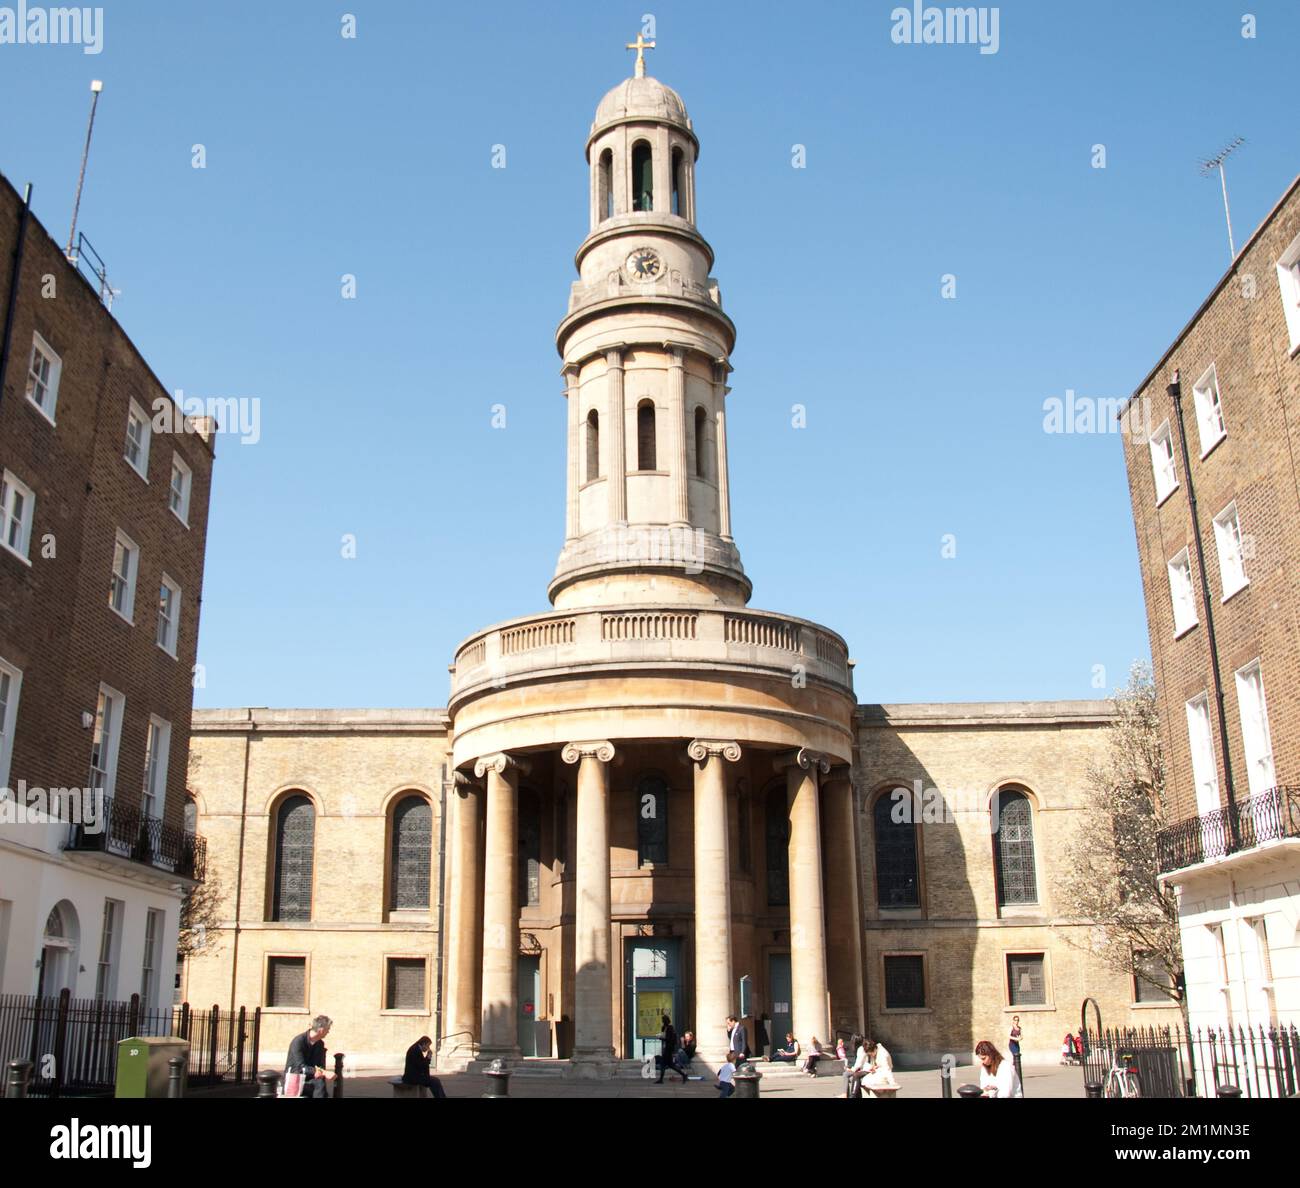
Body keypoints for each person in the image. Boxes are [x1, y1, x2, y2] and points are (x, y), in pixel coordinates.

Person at [285, 1015, 334, 1098]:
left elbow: (319, 1065)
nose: (328, 1032)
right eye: (328, 1029)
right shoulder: (298, 1041)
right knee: (319, 1084)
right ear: (321, 1030)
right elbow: (300, 1067)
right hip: (296, 1078)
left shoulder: (320, 1044)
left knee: (320, 1083)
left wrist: (320, 1071)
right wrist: (323, 1072)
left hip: (311, 1077)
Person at [655, 1014, 679, 1084]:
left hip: (669, 1048)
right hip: (665, 1047)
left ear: (666, 1020)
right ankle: (683, 1074)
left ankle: (661, 1080)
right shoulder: (663, 1027)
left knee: (663, 1064)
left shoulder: (670, 1027)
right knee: (670, 1065)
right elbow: (663, 1036)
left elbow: (668, 1038)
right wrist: (661, 1037)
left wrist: (661, 1038)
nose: (662, 1021)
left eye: (663, 1020)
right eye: (662, 1020)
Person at [843, 1033, 865, 1099]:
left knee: (846, 1074)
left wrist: (852, 1069)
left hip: (862, 1069)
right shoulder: (860, 1048)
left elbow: (859, 1064)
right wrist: (850, 1067)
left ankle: (846, 1095)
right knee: (846, 1073)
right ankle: (846, 1094)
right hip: (860, 1069)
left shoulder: (861, 1049)